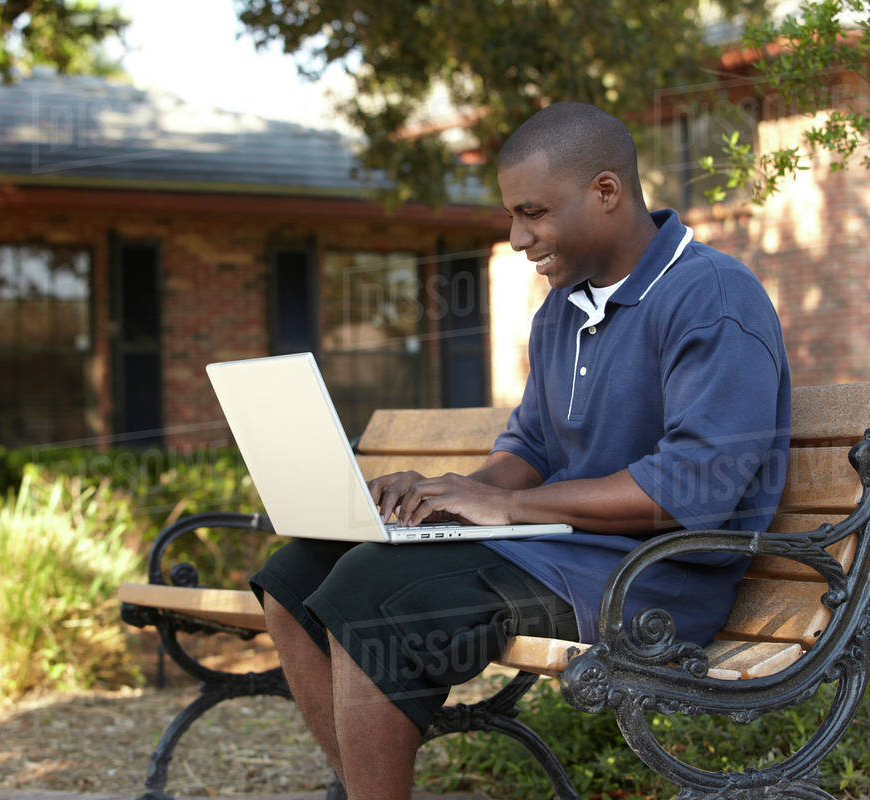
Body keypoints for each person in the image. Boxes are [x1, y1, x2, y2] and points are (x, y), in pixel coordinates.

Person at [249, 101, 792, 800]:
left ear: (606, 193)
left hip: (656, 578)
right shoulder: (562, 310)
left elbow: (690, 490)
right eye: (513, 215)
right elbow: (533, 444)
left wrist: (506, 504)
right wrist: (446, 498)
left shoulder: (711, 297)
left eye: (533, 212)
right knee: (294, 576)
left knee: (373, 590)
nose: (516, 237)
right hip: (561, 551)